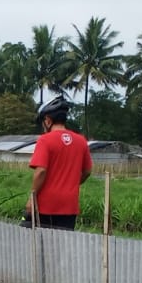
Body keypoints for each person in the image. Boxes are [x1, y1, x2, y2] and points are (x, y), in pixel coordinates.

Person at [24, 97, 92, 230]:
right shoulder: (81, 141)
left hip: (46, 205)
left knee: (40, 241)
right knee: (63, 241)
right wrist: (71, 183)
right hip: (69, 205)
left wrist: (32, 197)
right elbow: (87, 171)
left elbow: (41, 171)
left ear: (48, 120)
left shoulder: (45, 140)